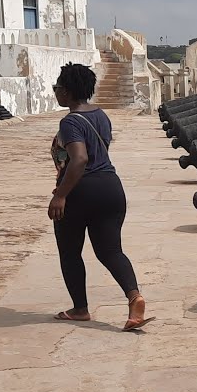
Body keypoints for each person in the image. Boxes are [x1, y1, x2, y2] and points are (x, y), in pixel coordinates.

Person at [49, 63, 152, 331]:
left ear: (68, 92)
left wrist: (60, 195)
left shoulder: (70, 121)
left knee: (70, 252)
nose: (55, 92)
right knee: (110, 250)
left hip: (81, 191)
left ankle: (80, 308)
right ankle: (134, 296)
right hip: (111, 187)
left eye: (57, 88)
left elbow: (80, 159)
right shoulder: (102, 116)